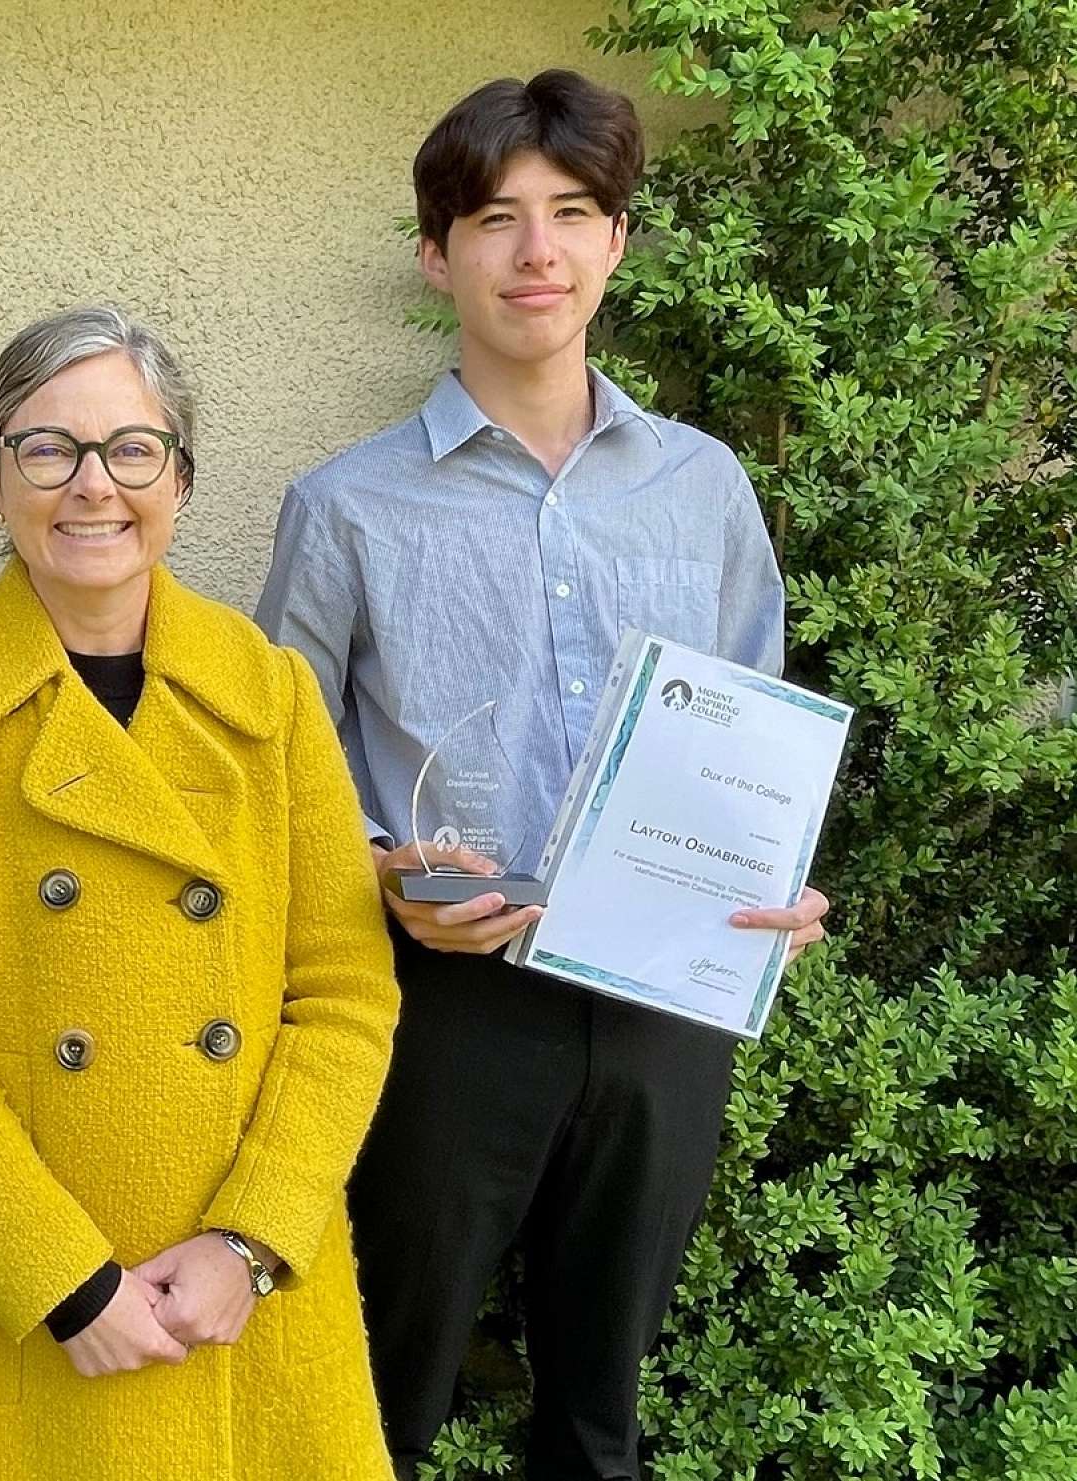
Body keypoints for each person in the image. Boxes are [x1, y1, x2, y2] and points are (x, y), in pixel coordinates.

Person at [256, 72, 832, 1480]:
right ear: (435, 254)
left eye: (572, 213)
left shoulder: (702, 486)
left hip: (665, 1001)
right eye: (495, 218)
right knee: (376, 1407)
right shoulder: (344, 506)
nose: (537, 252)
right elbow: (282, 777)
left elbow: (754, 728)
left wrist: (779, 880)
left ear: (615, 241)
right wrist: (377, 876)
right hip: (445, 1009)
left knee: (597, 1417)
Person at [0, 305, 400, 1480]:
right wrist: (62, 1278)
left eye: (131, 449)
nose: (93, 485)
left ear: (177, 478)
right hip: (7, 1296)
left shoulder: (274, 699)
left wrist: (251, 1240)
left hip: (238, 1296)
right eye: (48, 448)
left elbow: (344, 995)